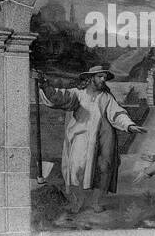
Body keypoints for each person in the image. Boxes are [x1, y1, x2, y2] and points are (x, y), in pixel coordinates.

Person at [35, 65, 146, 224]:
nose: (103, 80)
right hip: (80, 138)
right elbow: (58, 97)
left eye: (104, 77)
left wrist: (129, 125)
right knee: (77, 168)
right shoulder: (77, 94)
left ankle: (96, 202)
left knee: (103, 169)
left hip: (102, 139)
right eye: (100, 76)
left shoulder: (106, 97)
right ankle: (76, 201)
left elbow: (117, 113)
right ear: (90, 78)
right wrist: (44, 85)